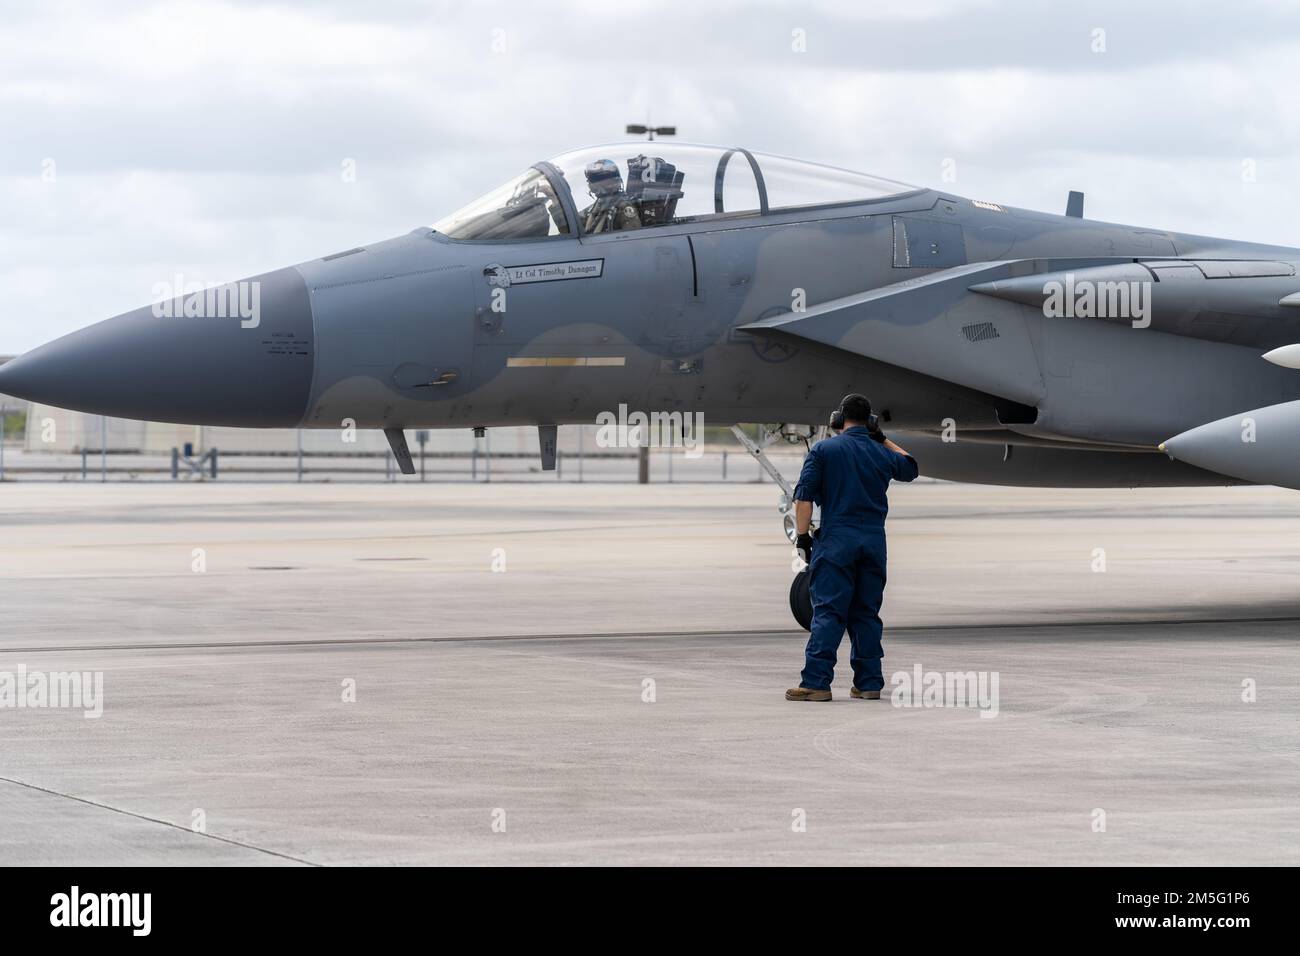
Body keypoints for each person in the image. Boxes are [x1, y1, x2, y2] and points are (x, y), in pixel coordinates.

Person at [785, 394, 919, 702]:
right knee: (866, 613)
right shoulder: (879, 451)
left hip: (836, 541)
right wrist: (882, 439)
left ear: (838, 419)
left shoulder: (823, 450)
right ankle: (869, 682)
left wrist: (803, 538)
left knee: (829, 611)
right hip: (873, 541)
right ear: (870, 422)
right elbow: (911, 467)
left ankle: (816, 682)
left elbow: (803, 499)